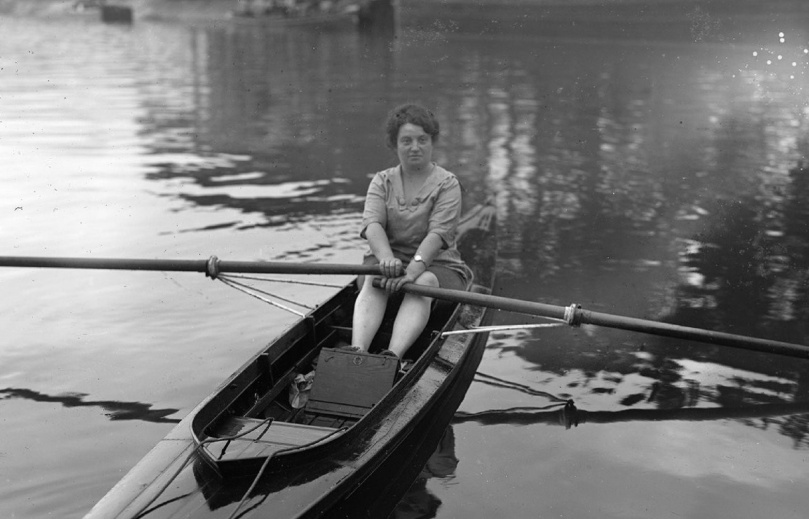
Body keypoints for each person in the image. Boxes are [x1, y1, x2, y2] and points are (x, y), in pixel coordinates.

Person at [351, 103, 472, 360]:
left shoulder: (447, 184)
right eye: (406, 141)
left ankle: (392, 357)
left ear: (432, 142)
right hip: (387, 267)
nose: (415, 147)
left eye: (422, 140)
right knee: (374, 277)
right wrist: (386, 259)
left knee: (422, 283)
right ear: (394, 144)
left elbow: (438, 235)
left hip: (438, 268)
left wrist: (413, 270)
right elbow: (372, 225)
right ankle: (356, 352)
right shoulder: (382, 181)